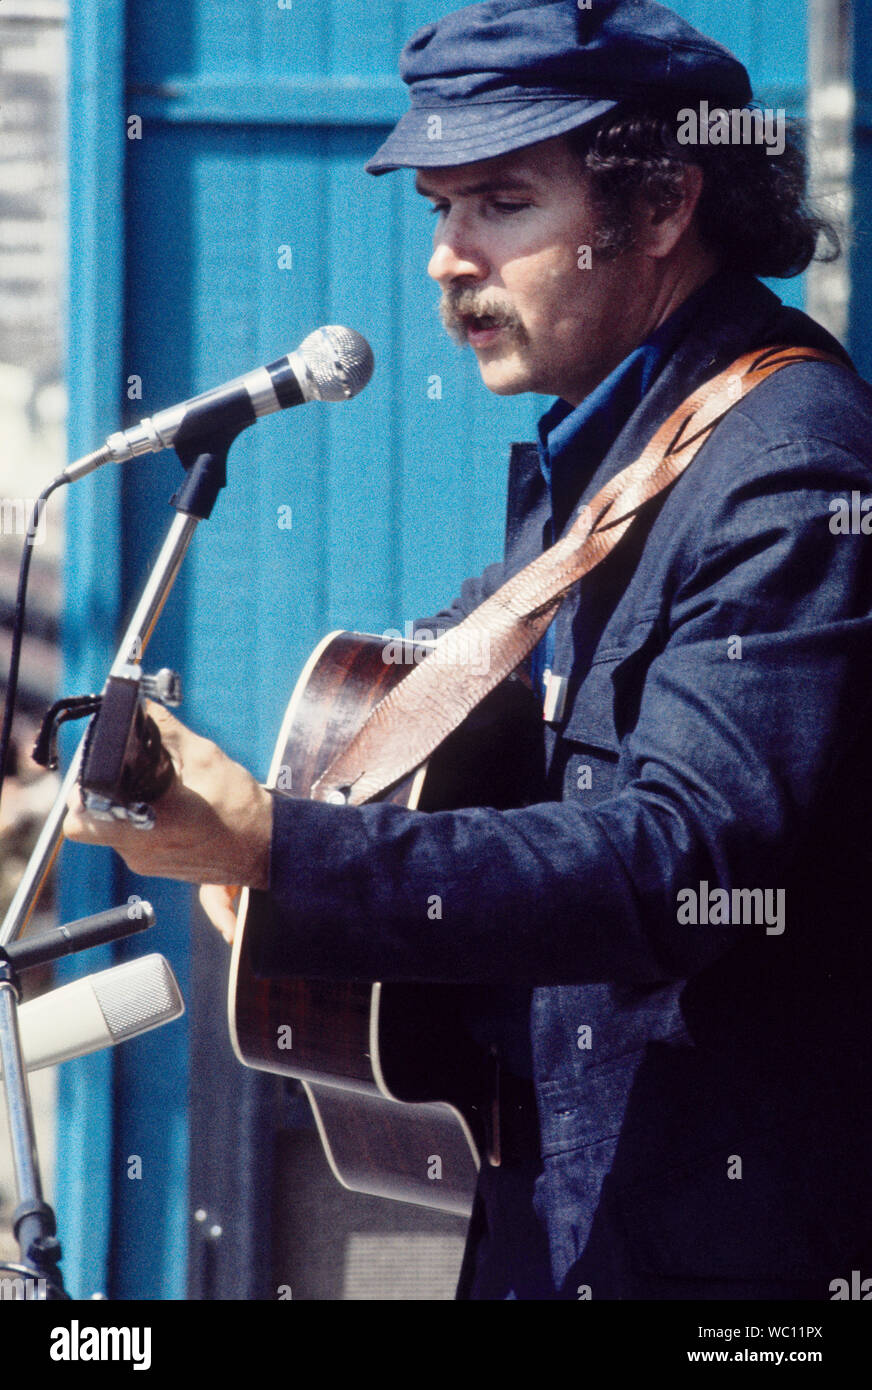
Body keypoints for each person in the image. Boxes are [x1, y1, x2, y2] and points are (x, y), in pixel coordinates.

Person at [64, 0, 872, 1300]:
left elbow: (681, 858)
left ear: (663, 204)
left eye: (500, 201)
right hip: (550, 1222)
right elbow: (448, 683)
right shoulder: (614, 435)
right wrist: (265, 841)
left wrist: (287, 845)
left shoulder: (792, 469)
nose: (447, 256)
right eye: (438, 207)